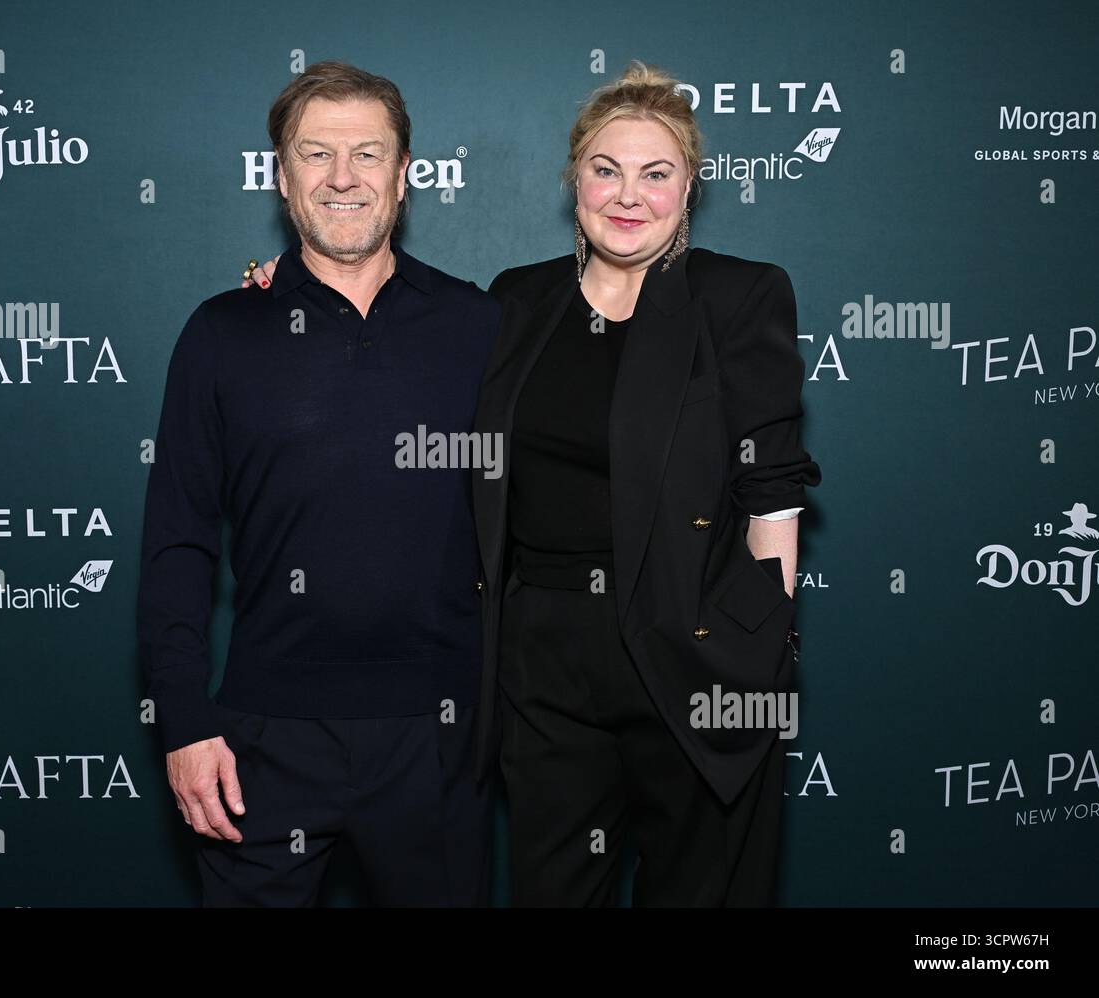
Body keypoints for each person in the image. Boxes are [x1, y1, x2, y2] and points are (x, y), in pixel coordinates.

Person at [245, 60, 821, 907]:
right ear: (574, 181)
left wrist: (763, 654)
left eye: (655, 174)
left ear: (689, 187)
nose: (629, 195)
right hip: (542, 673)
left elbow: (772, 492)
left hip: (696, 663)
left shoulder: (736, 297)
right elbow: (400, 326)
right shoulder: (517, 302)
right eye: (606, 170)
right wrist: (283, 288)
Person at [138, 61, 499, 906]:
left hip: (439, 739)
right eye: (316, 154)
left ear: (405, 175)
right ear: (280, 174)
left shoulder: (480, 324)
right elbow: (178, 541)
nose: (343, 177)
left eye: (368, 154)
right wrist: (184, 721)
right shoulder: (222, 331)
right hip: (261, 742)